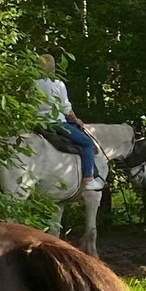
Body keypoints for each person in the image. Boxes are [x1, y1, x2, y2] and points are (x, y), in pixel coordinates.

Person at [35, 53, 103, 192]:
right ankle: (89, 179)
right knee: (87, 143)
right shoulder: (57, 84)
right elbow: (67, 110)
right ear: (53, 68)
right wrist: (76, 120)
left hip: (36, 124)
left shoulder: (32, 83)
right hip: (56, 123)